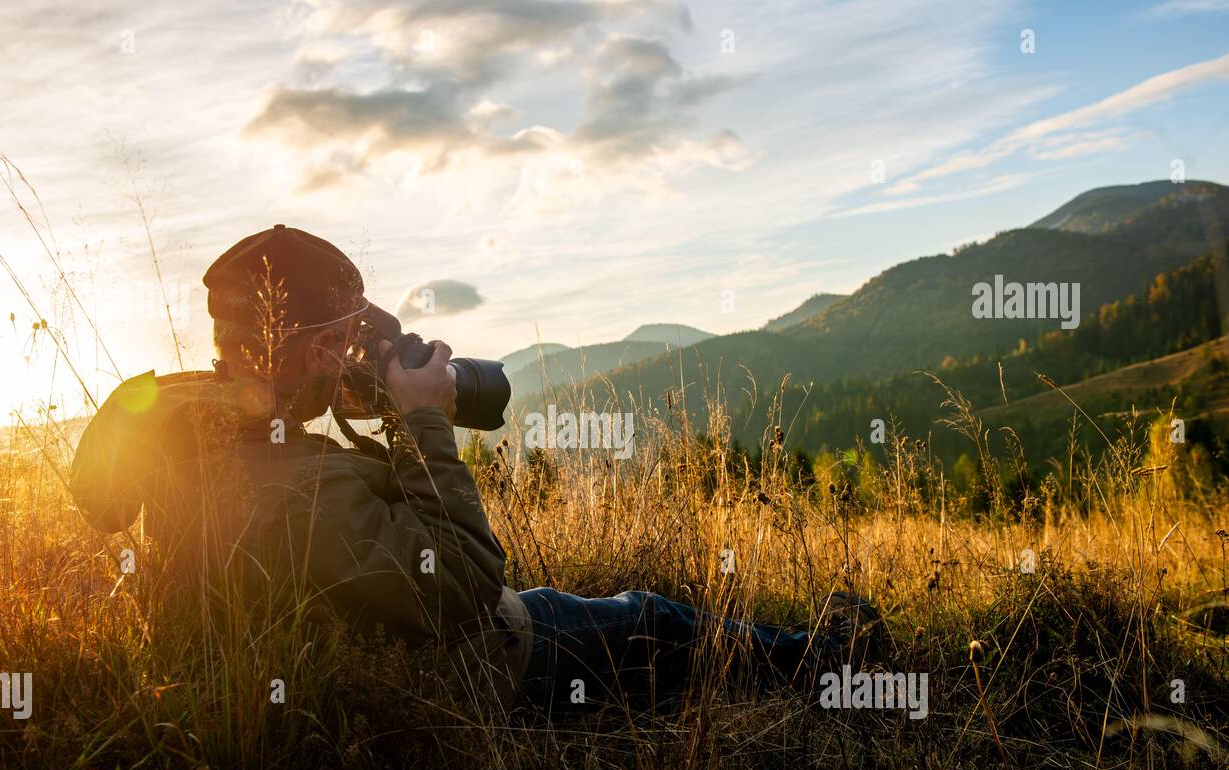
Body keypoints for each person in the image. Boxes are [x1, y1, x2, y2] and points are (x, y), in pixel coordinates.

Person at [70, 225, 881, 719]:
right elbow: (461, 579)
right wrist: (420, 414)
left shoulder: (174, 418)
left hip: (352, 625)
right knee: (654, 619)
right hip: (458, 661)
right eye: (343, 342)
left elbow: (100, 492)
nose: (353, 353)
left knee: (624, 617)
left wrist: (341, 398)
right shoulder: (291, 496)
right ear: (317, 347)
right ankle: (832, 661)